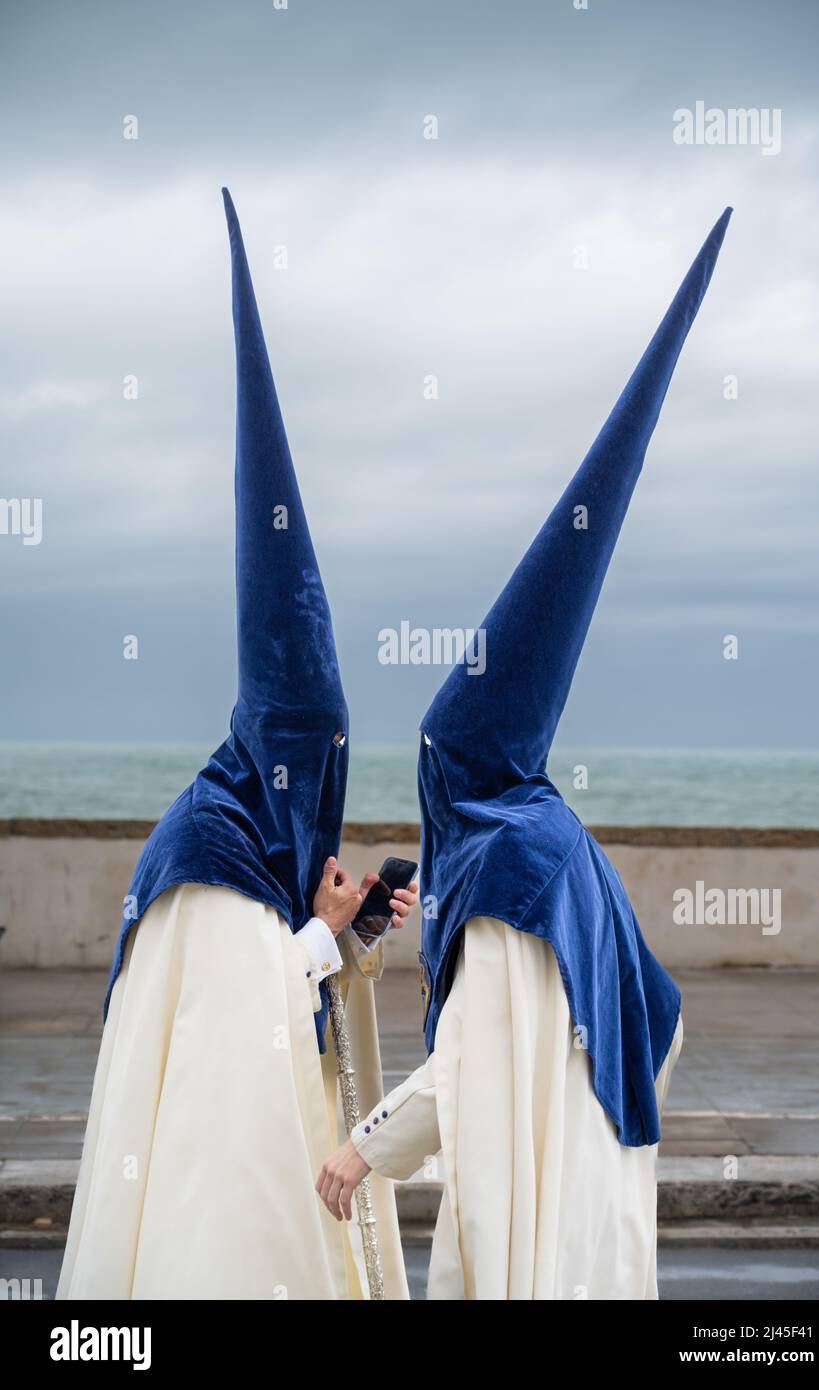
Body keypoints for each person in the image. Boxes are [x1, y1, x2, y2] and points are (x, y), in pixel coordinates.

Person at [317, 208, 733, 1300]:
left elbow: (472, 1077)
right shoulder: (564, 843)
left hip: (532, 1218)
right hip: (600, 1193)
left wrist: (366, 1145)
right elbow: (664, 1020)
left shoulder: (500, 867)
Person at [57, 189, 417, 1301]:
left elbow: (297, 994)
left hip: (288, 1162)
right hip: (229, 1196)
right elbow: (239, 1047)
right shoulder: (213, 844)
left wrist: (349, 940)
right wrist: (320, 931)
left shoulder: (257, 837)